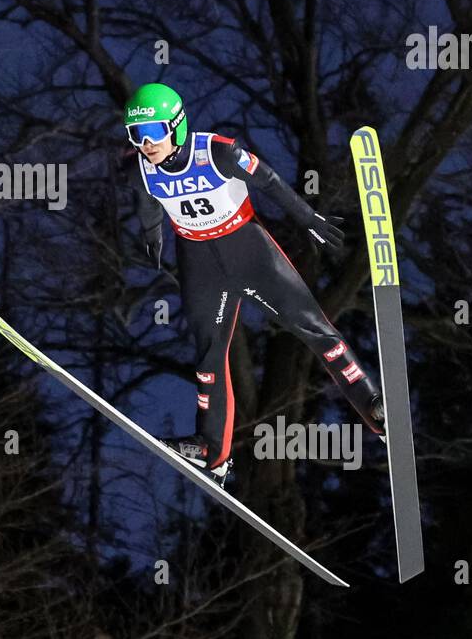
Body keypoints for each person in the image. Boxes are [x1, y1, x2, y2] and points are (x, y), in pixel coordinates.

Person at [124, 82, 385, 486]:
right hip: (199, 261)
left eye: (153, 132)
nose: (145, 144)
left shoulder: (217, 151)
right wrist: (152, 232)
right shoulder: (143, 166)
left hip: (248, 251)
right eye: (136, 135)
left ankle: (371, 403)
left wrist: (308, 218)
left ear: (175, 127)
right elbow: (145, 201)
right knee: (208, 360)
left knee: (314, 329)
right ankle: (214, 452)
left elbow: (270, 181)